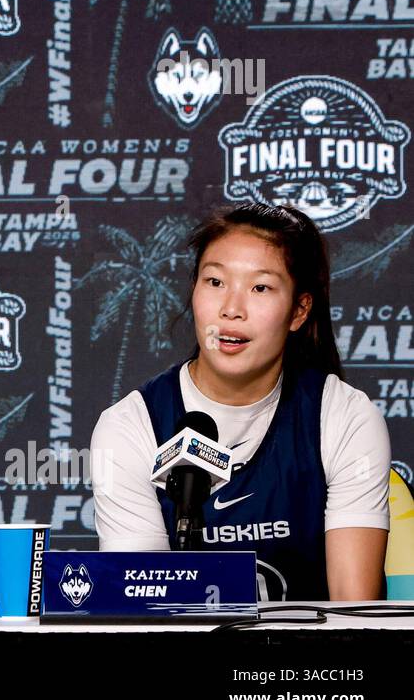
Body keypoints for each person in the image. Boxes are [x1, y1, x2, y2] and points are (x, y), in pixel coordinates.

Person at [91, 202, 390, 601]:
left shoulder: (346, 417)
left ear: (299, 310)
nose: (231, 309)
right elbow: (145, 611)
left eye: (260, 287)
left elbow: (354, 614)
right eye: (215, 282)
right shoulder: (129, 426)